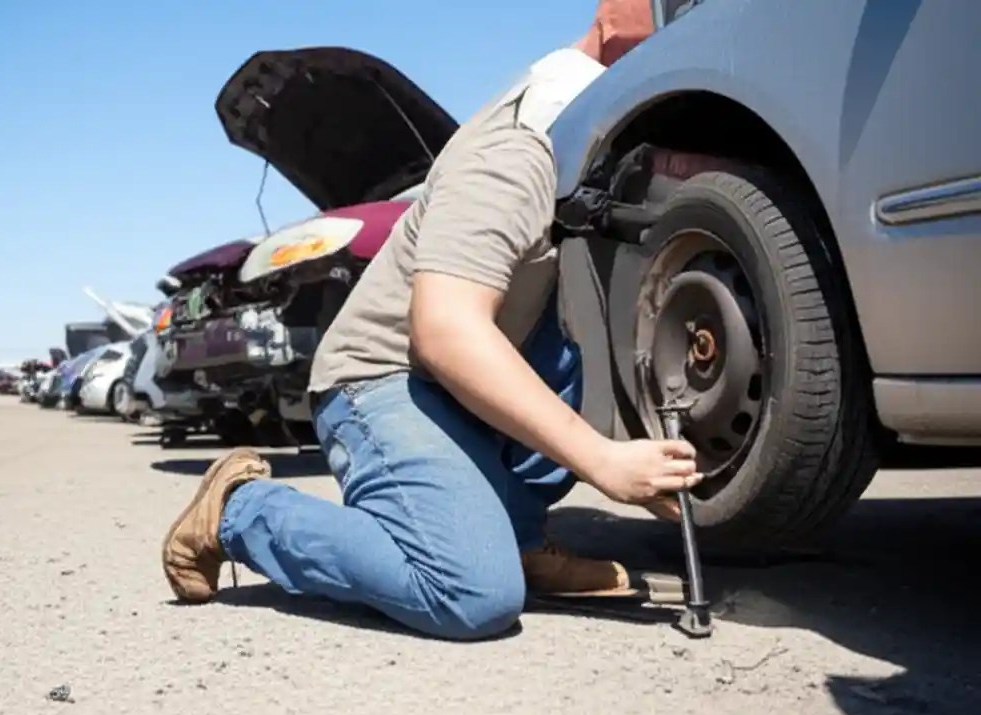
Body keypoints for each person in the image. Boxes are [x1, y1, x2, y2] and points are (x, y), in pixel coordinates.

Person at [162, 0, 703, 641]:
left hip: (447, 386)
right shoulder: (519, 152)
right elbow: (446, 333)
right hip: (380, 381)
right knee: (470, 594)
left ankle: (517, 536)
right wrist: (602, 461)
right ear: (614, 19)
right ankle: (242, 511)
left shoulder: (591, 154)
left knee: (578, 340)